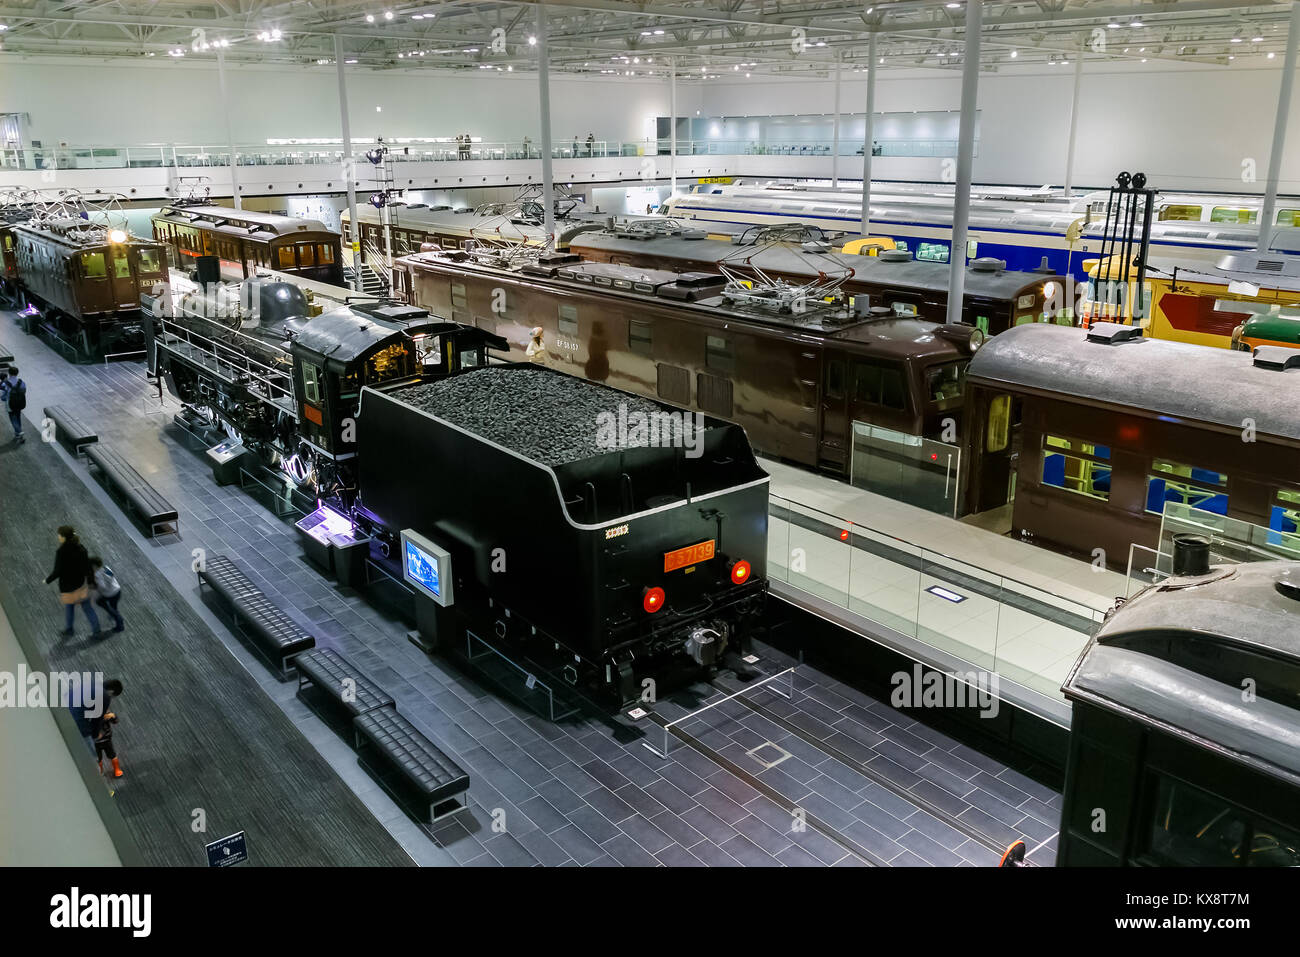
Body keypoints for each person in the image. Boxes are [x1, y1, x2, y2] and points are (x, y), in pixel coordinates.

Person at [45, 525, 103, 638]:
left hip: (67, 587)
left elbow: (58, 571)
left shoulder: (61, 552)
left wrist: (47, 580)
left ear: (64, 537)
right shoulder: (81, 548)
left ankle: (69, 630)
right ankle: (97, 630)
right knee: (87, 608)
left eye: (59, 535)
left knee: (69, 608)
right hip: (80, 585)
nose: (58, 537)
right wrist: (92, 582)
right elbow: (87, 567)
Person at [89, 678, 124, 778]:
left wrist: (113, 716)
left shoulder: (106, 713)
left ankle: (117, 769)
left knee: (112, 754)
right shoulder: (90, 715)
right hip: (95, 741)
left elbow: (115, 721)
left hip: (106, 739)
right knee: (97, 758)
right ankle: (100, 771)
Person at [89, 556, 125, 634]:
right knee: (113, 606)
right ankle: (115, 616)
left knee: (100, 602)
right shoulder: (106, 568)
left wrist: (94, 586)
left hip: (110, 594)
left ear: (94, 566)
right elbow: (111, 576)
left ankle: (119, 622)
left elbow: (102, 587)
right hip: (117, 591)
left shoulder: (97, 575)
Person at [5, 366, 25, 444]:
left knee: (13, 418)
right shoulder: (21, 382)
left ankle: (19, 432)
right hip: (19, 403)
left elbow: (3, 394)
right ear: (17, 373)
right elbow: (24, 390)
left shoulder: (6, 382)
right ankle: (18, 435)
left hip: (10, 404)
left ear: (9, 373)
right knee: (18, 417)